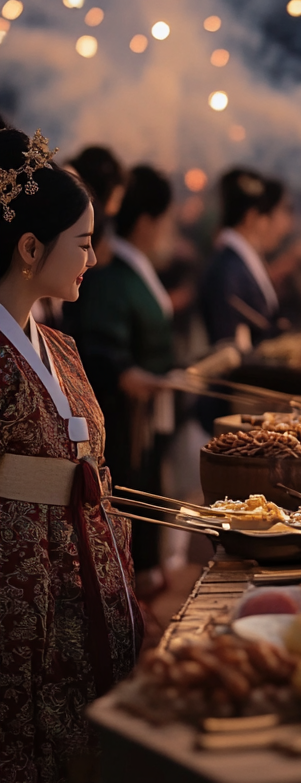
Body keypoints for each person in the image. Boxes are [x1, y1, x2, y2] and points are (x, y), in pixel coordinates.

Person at [0, 129, 140, 783]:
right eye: (81, 245)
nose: (92, 259)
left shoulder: (56, 343)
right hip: (18, 589)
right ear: (30, 249)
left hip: (79, 566)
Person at [63, 166, 176, 596]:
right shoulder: (111, 276)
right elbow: (102, 337)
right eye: (83, 245)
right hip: (120, 414)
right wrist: (126, 372)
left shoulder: (128, 267)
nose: (93, 259)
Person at [200, 168, 291, 349]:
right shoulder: (227, 270)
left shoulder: (237, 262)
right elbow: (230, 342)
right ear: (251, 218)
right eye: (265, 216)